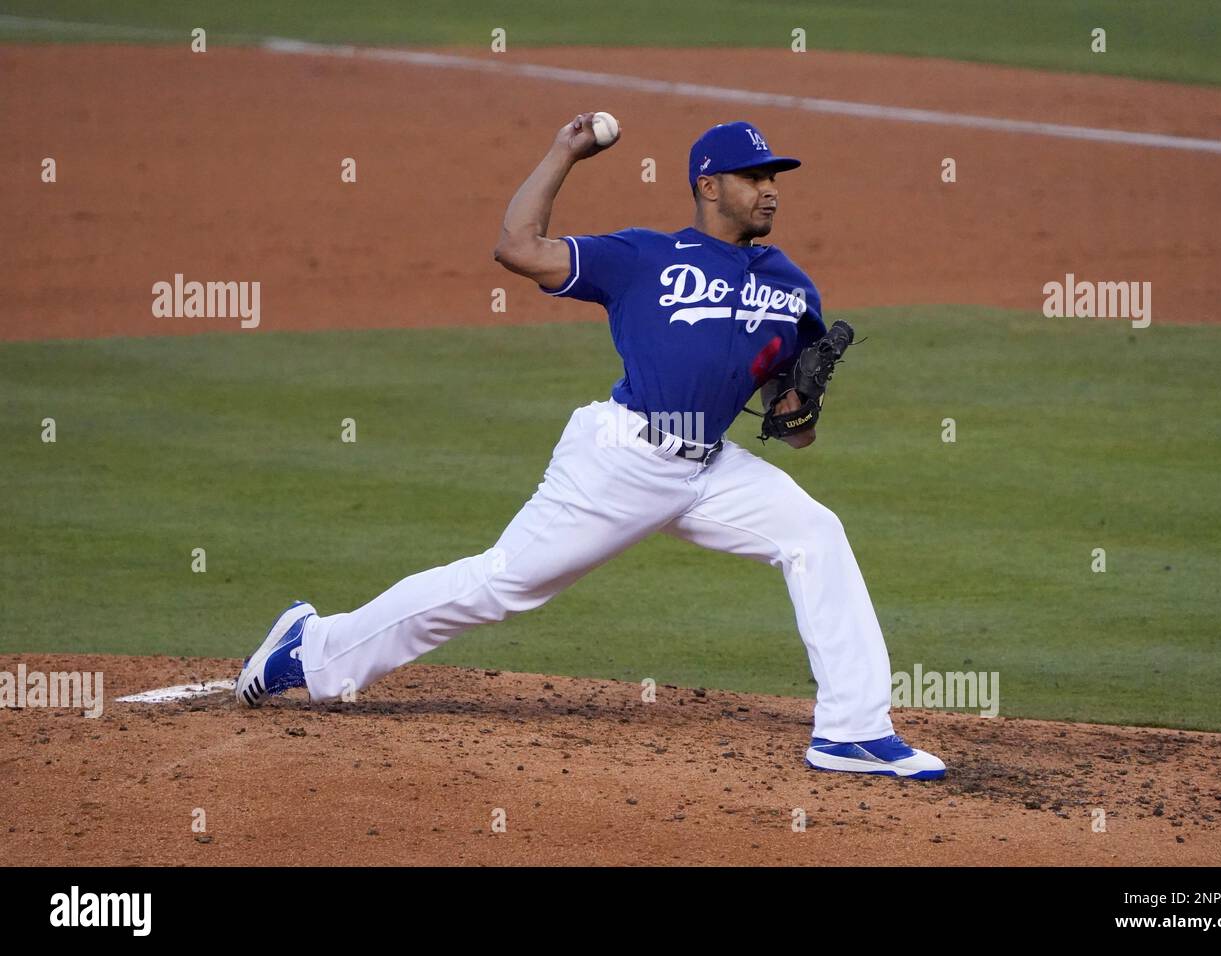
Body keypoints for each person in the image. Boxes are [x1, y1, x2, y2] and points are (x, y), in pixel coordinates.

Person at [235, 114, 945, 779]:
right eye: (753, 176)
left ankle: (851, 730)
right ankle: (314, 649)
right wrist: (564, 153)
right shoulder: (643, 257)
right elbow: (517, 248)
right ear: (708, 186)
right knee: (501, 584)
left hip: (711, 469)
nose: (770, 190)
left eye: (774, 178)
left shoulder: (791, 286)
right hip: (621, 458)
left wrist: (799, 403)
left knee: (815, 534)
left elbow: (795, 432)